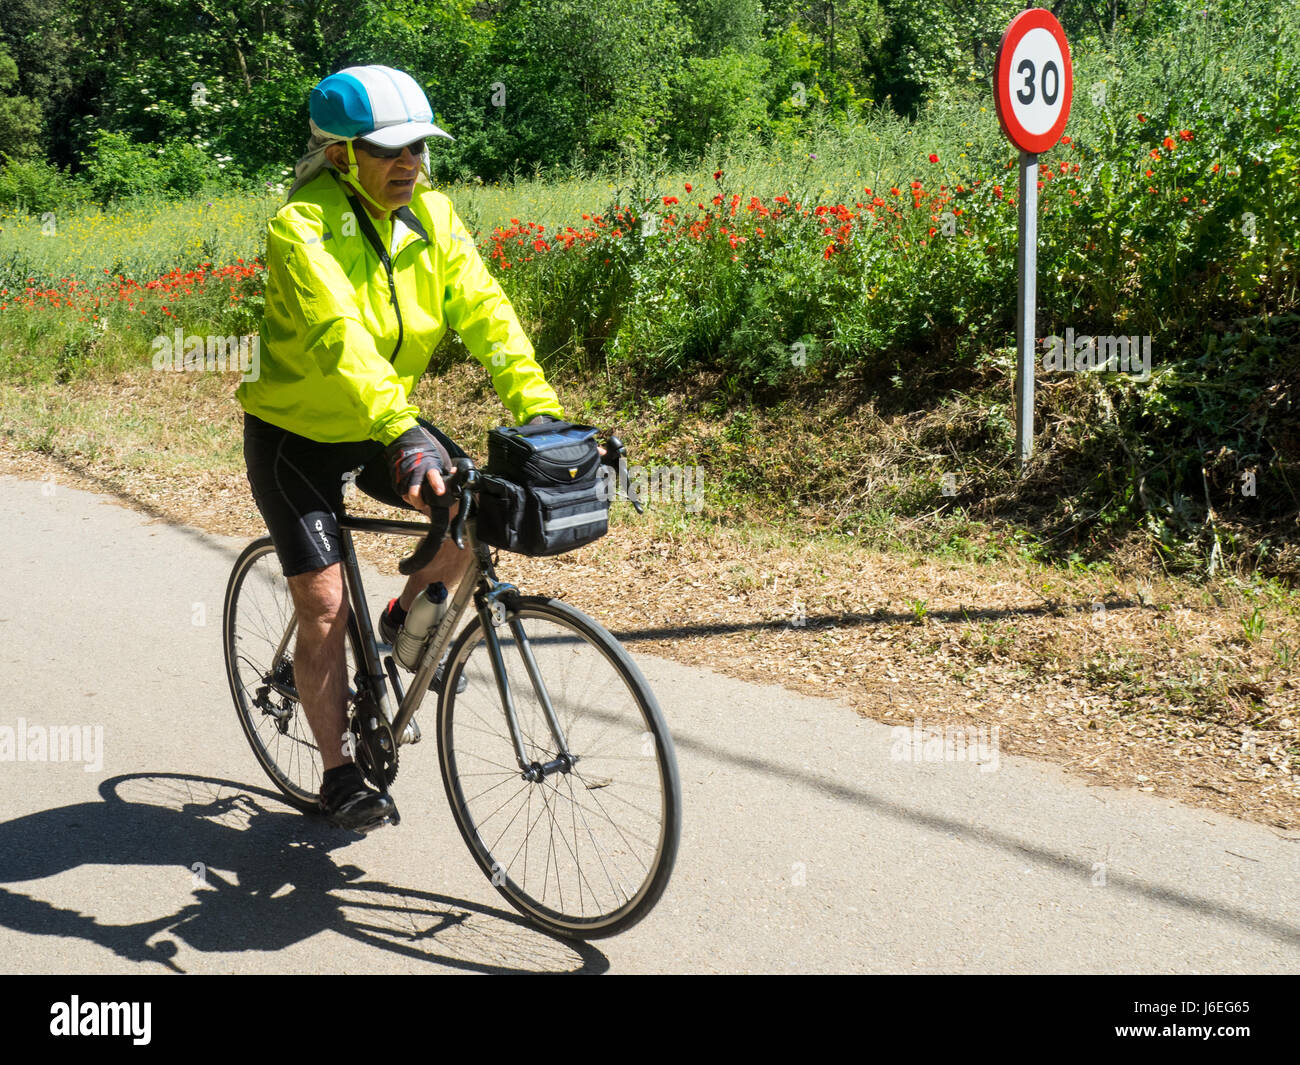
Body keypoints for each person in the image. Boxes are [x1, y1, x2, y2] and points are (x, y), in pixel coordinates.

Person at [237, 65, 566, 831]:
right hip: (298, 437)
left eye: (418, 146)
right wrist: (401, 431)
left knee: (476, 509)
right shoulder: (301, 227)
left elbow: (488, 311)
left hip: (382, 419)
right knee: (322, 604)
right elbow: (338, 338)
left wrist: (541, 412)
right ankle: (339, 772)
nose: (410, 163)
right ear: (342, 154)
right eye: (390, 149)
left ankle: (399, 626)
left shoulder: (436, 218)